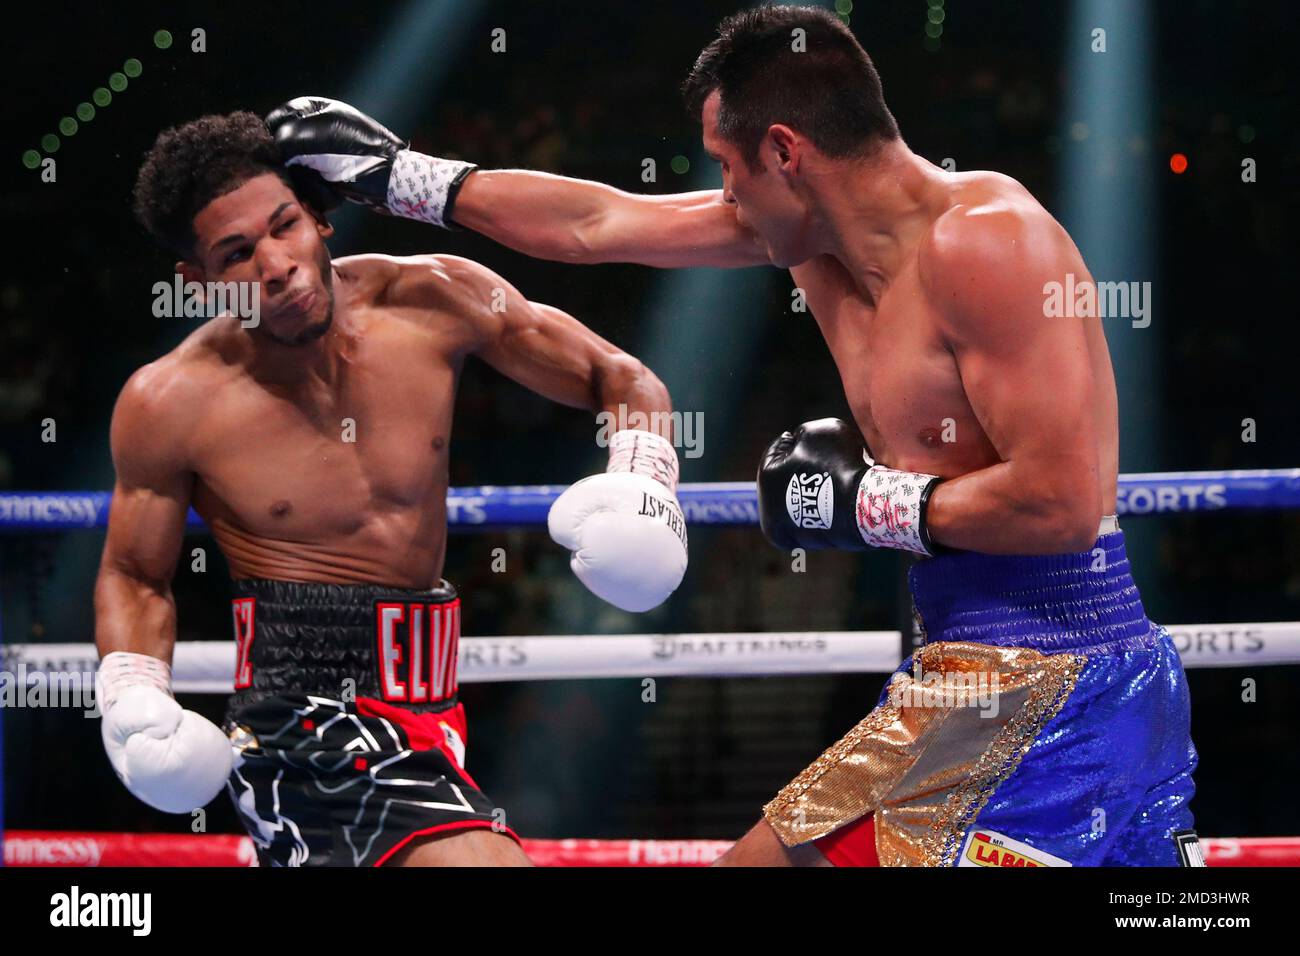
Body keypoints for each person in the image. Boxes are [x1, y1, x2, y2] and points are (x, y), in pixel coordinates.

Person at [272, 4, 1200, 866]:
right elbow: (597, 223)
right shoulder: (809, 237)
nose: (726, 193)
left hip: (1054, 680)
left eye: (728, 165)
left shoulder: (990, 244)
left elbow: (1068, 504)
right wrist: (402, 177)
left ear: (785, 151)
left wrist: (869, 503)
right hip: (974, 671)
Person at [92, 109, 688, 867]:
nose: (275, 265)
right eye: (237, 253)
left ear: (320, 219)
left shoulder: (434, 299)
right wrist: (132, 699)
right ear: (199, 281)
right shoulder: (169, 401)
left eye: (285, 227)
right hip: (304, 718)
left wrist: (645, 480)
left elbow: (621, 376)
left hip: (433, 705)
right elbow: (135, 574)